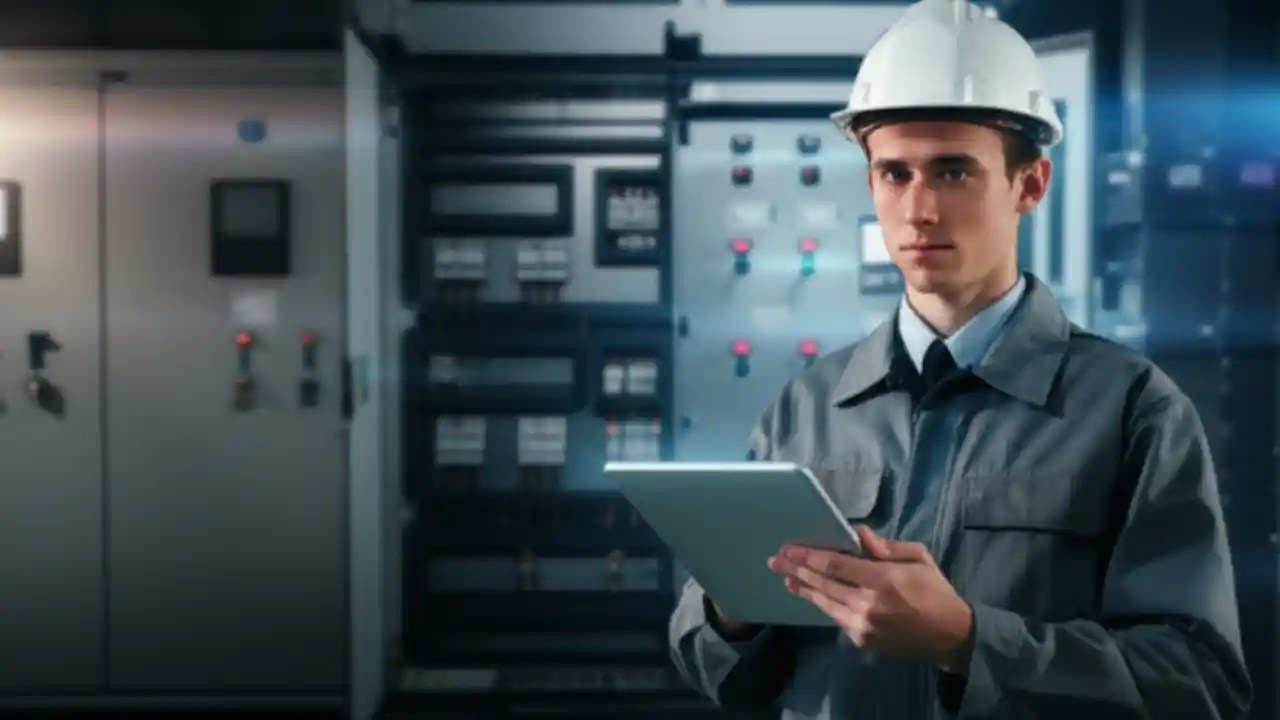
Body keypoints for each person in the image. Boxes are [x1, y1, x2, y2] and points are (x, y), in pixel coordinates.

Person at [667, 0, 1253, 717]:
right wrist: (732, 611)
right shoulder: (808, 408)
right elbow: (715, 670)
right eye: (894, 174)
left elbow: (1198, 684)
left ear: (1029, 184)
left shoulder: (1133, 410)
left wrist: (968, 641)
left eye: (952, 172)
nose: (919, 210)